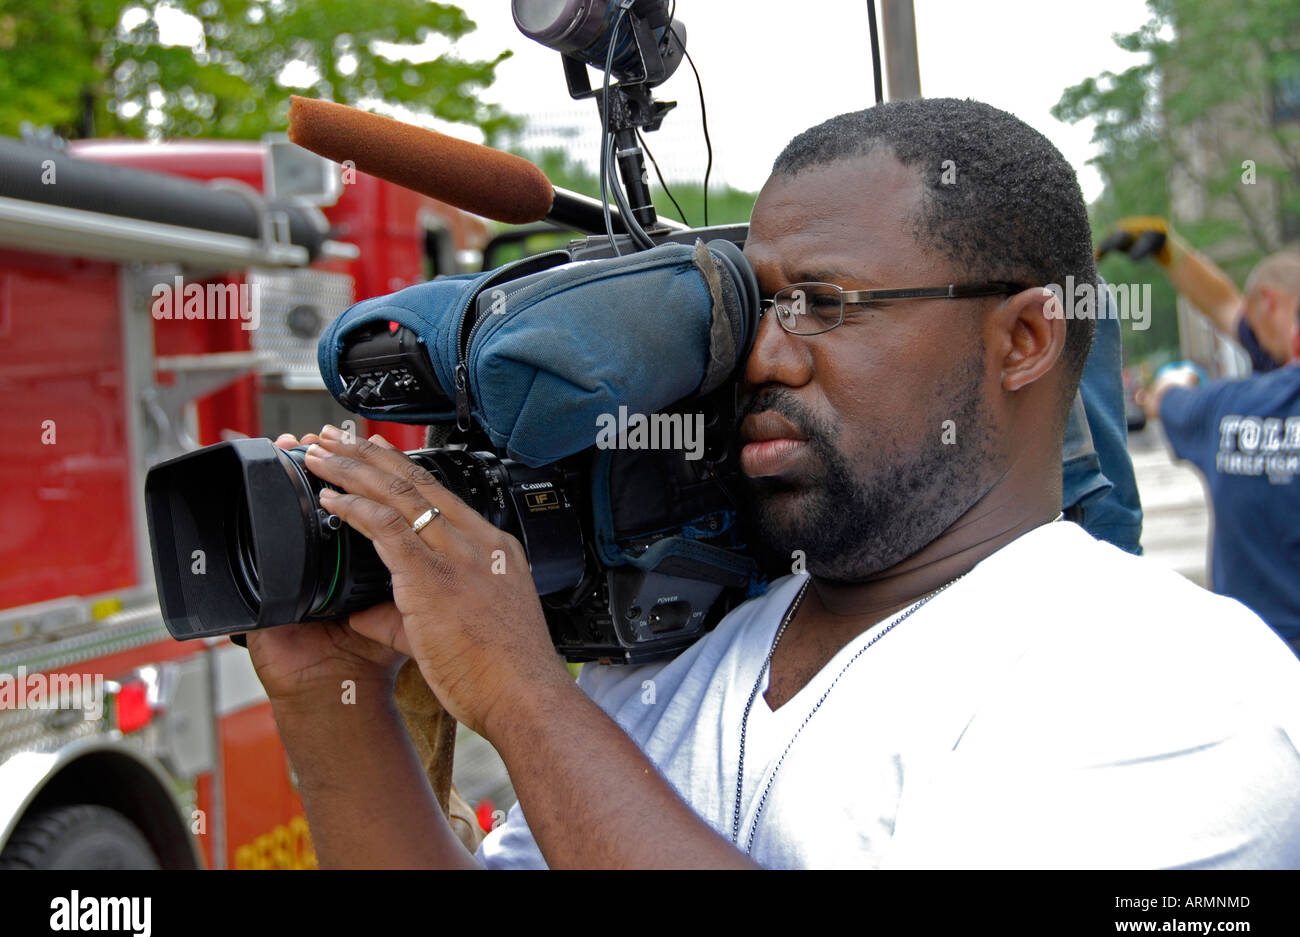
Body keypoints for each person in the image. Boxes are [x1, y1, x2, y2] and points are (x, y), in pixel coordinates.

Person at [247, 99, 1300, 869]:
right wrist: (325, 695)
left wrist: (521, 698)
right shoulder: (684, 650)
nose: (762, 355)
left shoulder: (1174, 684)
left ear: (1021, 336)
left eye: (825, 304)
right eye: (753, 305)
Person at [1144, 304, 1300, 654]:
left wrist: (1176, 378)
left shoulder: (1227, 405)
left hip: (1248, 657)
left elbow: (1163, 399)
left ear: (1296, 341)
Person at [1098, 217, 1300, 373]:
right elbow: (1222, 304)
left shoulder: (1274, 350)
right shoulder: (1274, 353)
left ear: (1268, 302)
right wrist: (1166, 248)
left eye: (1253, 323)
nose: (1258, 341)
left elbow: (1225, 305)